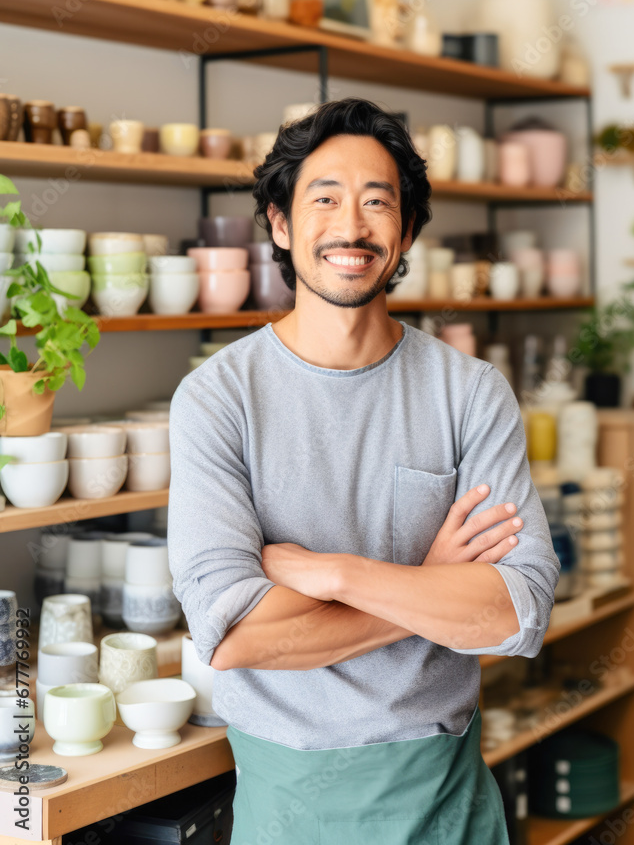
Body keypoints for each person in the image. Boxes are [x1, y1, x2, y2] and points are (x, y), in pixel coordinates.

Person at [168, 97, 560, 845]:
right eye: (325, 199)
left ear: (406, 230)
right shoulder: (218, 398)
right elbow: (232, 635)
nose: (351, 227)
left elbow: (514, 615)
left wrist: (334, 575)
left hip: (444, 801)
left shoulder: (468, 393)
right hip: (288, 808)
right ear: (280, 225)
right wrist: (426, 578)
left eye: (378, 203)